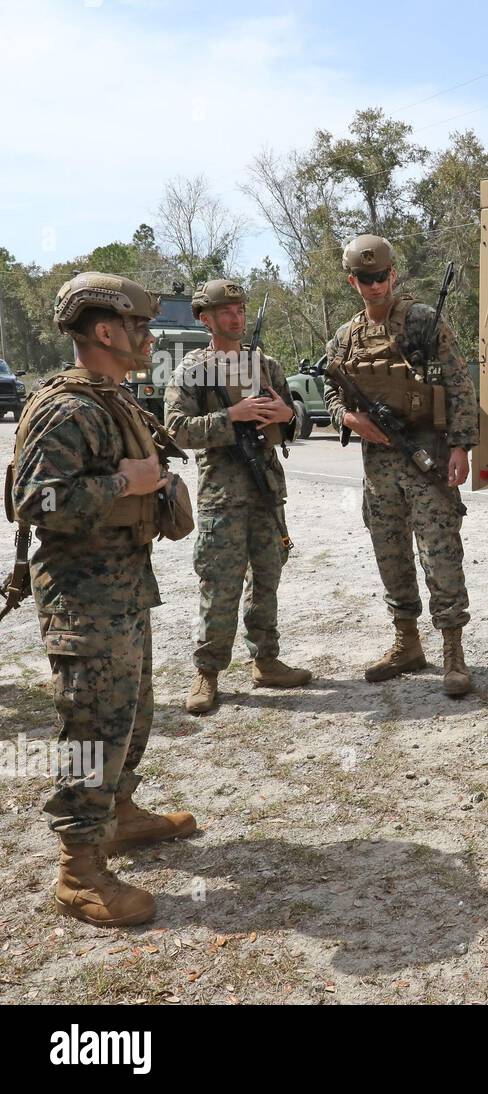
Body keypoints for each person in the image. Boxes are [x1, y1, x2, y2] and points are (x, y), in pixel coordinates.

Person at [8, 273, 197, 927]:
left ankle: (118, 814)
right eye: (140, 326)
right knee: (90, 728)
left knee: (130, 716)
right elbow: (35, 501)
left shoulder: (112, 400)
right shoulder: (70, 409)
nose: (148, 338)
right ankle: (79, 872)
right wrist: (125, 479)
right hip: (82, 601)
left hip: (120, 590)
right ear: (106, 332)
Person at [324, 235, 477, 694]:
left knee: (440, 555)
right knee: (390, 556)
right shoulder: (347, 336)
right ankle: (407, 643)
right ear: (353, 281)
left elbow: (458, 383)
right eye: (364, 279)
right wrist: (347, 417)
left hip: (425, 460)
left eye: (380, 276)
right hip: (379, 469)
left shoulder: (422, 322)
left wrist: (461, 447)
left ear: (393, 274)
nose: (373, 285)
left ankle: (454, 651)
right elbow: (331, 390)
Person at [165, 279, 310, 715]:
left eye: (241, 309)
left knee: (266, 580)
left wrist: (287, 416)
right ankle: (207, 673)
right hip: (221, 496)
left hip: (267, 491)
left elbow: (295, 420)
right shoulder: (192, 369)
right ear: (205, 318)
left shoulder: (266, 364)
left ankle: (265, 661)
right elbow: (175, 429)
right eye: (226, 310)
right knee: (220, 585)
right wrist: (232, 416)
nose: (236, 316)